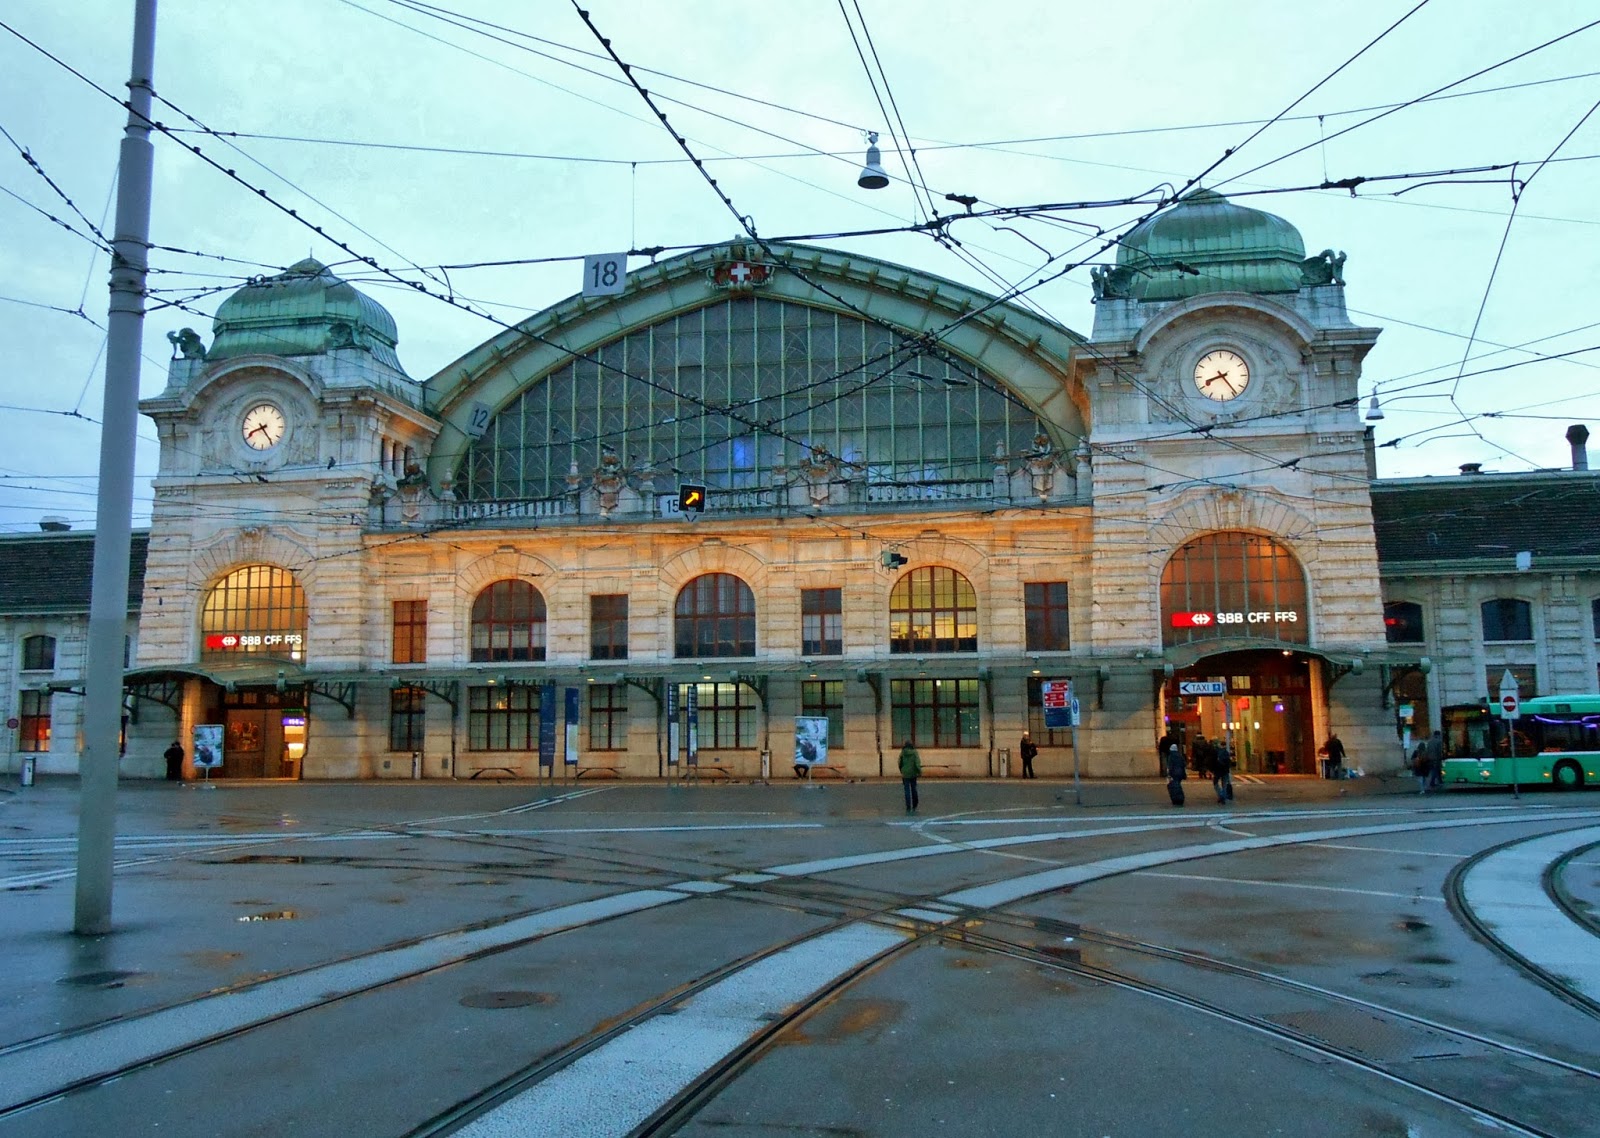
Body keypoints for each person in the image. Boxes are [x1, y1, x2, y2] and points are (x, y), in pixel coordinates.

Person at [898, 739, 921, 813]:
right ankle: (915, 803)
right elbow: (917, 762)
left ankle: (908, 805)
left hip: (905, 773)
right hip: (913, 773)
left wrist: (902, 770)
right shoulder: (915, 752)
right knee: (914, 788)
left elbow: (899, 762)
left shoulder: (902, 753)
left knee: (907, 790)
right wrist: (919, 771)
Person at [1165, 741, 1186, 807]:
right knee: (1178, 785)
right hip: (1180, 773)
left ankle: (1176, 798)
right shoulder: (1180, 756)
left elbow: (1170, 766)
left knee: (1175, 785)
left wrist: (1168, 774)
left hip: (1174, 773)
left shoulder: (1171, 756)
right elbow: (1183, 764)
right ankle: (1179, 797)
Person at [1212, 739, 1233, 804]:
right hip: (1225, 771)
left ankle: (1220, 795)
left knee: (1215, 784)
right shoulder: (1226, 753)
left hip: (1217, 770)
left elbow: (1213, 761)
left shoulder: (1216, 752)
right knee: (1224, 785)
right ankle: (1223, 796)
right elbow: (1229, 763)